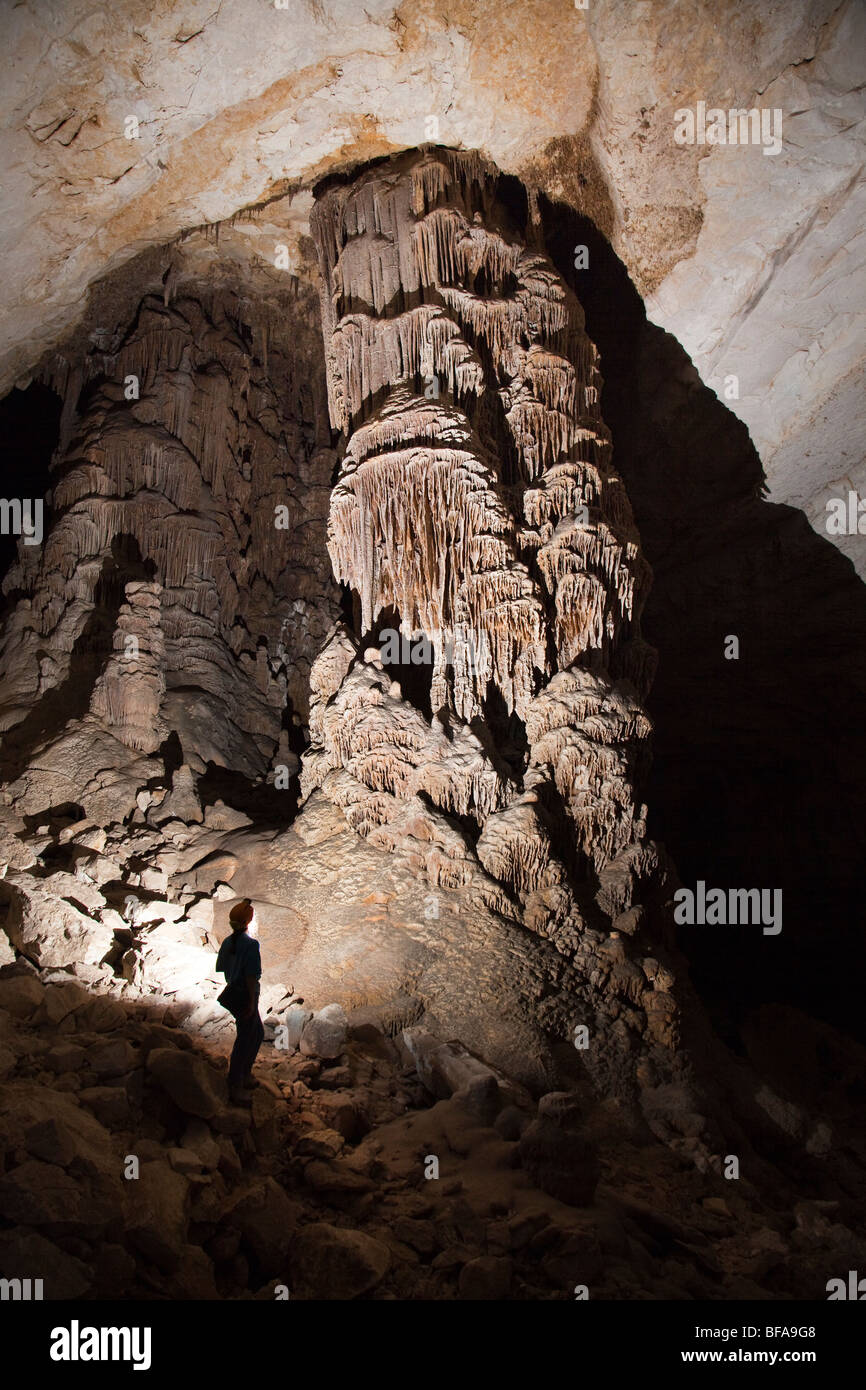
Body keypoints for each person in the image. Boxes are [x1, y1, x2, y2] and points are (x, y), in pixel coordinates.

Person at [216, 898, 264, 1104]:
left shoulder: (228, 942)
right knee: (246, 1037)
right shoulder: (251, 945)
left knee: (256, 1032)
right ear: (248, 922)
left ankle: (245, 1074)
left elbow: (222, 968)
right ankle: (236, 1081)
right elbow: (252, 975)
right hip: (246, 994)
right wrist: (251, 1001)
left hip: (233, 991)